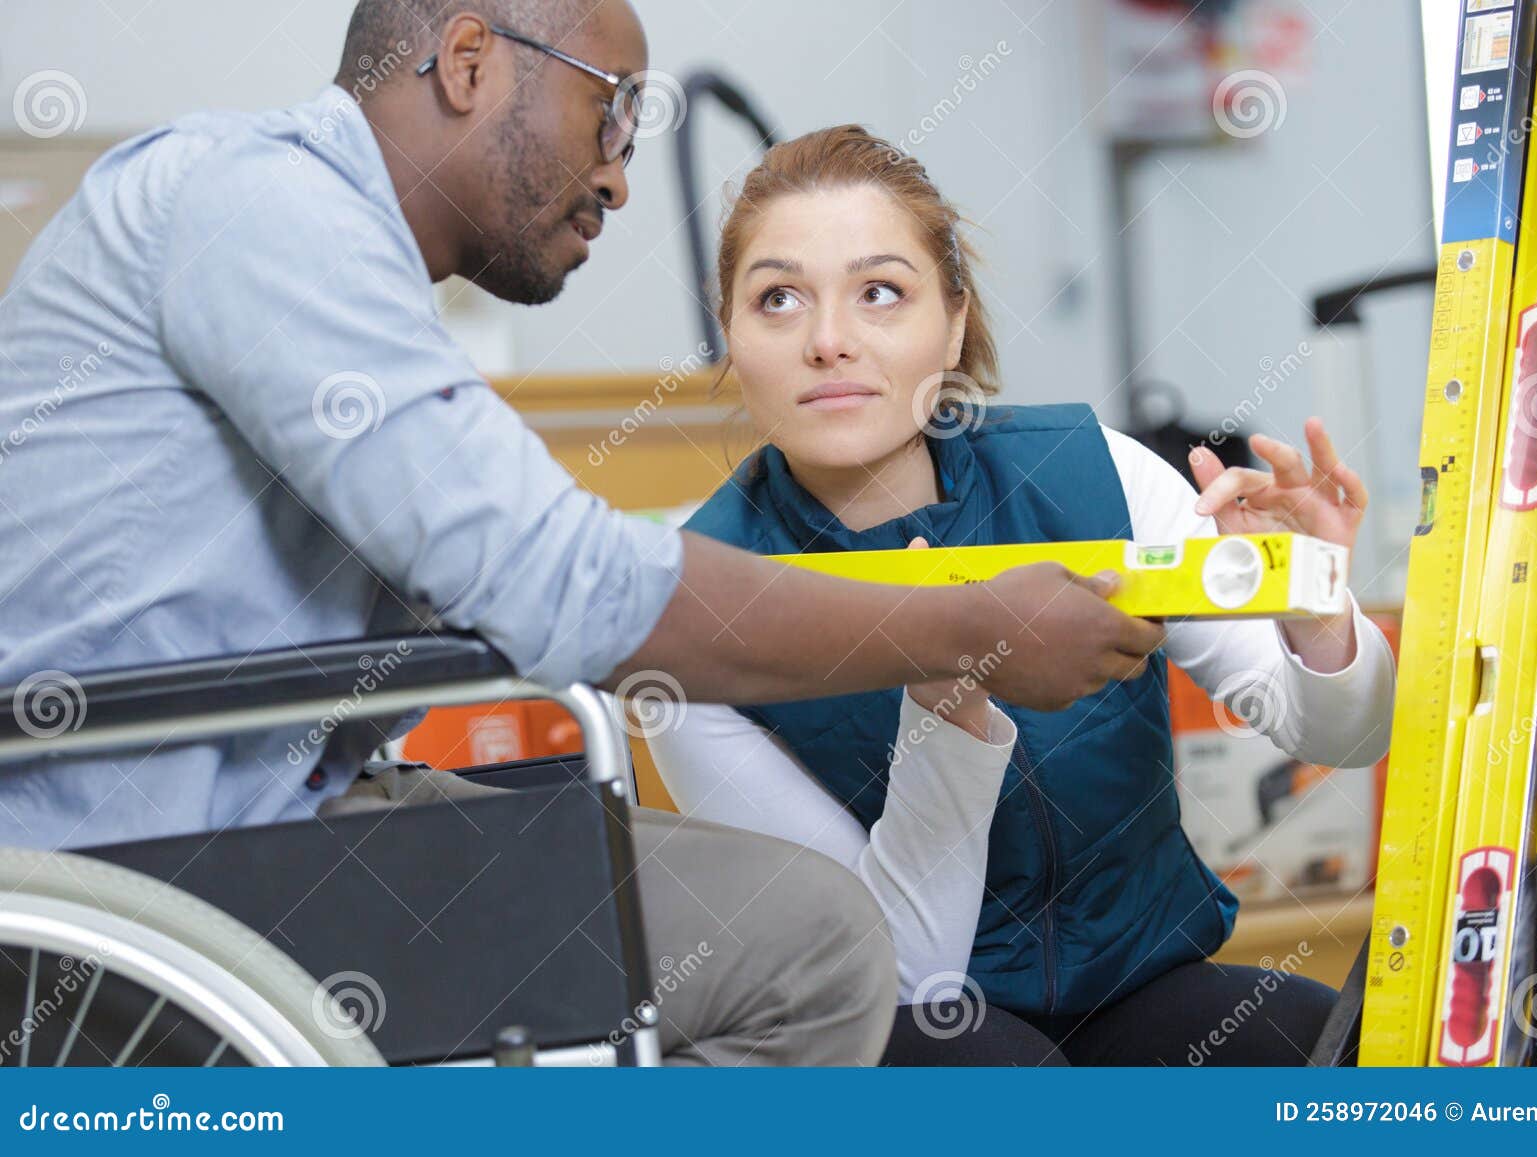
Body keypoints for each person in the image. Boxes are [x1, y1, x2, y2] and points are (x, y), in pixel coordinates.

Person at [0, 3, 1166, 1066]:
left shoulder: (346, 274)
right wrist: (961, 627)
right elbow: (559, 582)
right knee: (811, 950)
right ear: (467, 63)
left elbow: (516, 563)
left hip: (277, 817)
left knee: (801, 932)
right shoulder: (255, 203)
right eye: (609, 112)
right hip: (148, 874)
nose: (617, 176)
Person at [647, 124, 1398, 1065]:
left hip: (1141, 980)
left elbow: (1344, 736)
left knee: (1318, 1041)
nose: (829, 341)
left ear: (953, 321)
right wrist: (942, 711)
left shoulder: (1098, 476)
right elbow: (894, 970)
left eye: (880, 292)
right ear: (731, 330)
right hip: (904, 1016)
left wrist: (1315, 601)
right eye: (779, 299)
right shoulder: (693, 610)